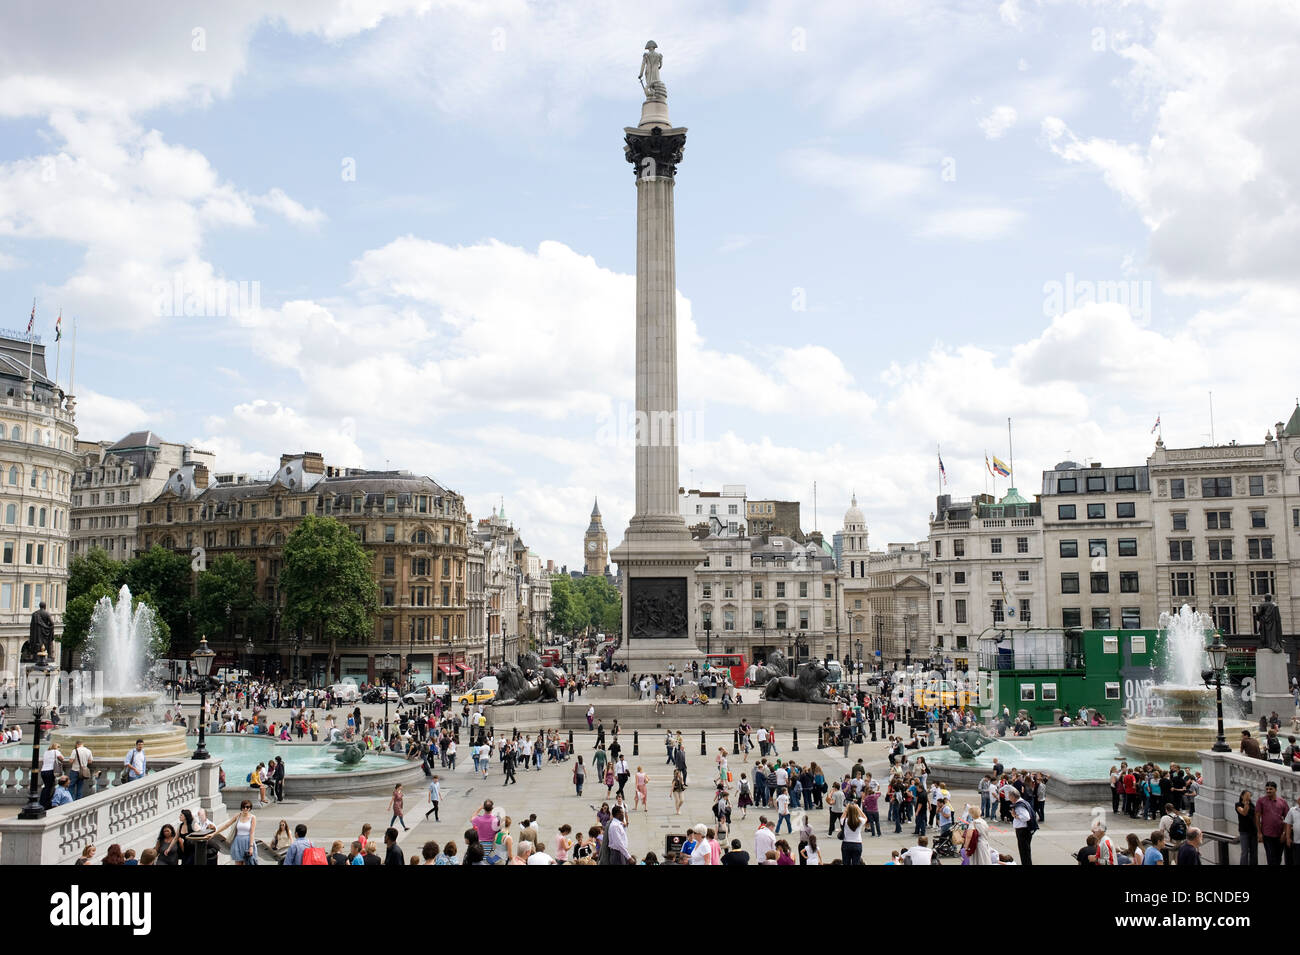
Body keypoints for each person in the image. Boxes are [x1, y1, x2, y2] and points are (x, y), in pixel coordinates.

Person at [1256, 780, 1289, 865]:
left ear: (1275, 790)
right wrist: (1259, 833)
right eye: (1267, 789)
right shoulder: (1261, 801)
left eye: (1270, 789)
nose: (1268, 791)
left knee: (1278, 858)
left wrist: (1284, 833)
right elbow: (1257, 817)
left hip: (1280, 834)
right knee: (1271, 858)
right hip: (1267, 834)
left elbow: (1288, 819)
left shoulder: (1282, 802)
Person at [215, 800, 258, 865]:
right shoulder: (238, 816)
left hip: (247, 841)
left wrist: (251, 846)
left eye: (247, 807)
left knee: (247, 862)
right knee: (238, 862)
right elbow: (227, 825)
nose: (245, 808)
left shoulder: (253, 817)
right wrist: (215, 833)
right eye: (243, 807)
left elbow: (252, 833)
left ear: (250, 808)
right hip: (237, 842)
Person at [1011, 787, 1036, 866]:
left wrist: (1015, 816)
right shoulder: (1023, 802)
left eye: (1009, 796)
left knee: (1024, 852)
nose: (1008, 798)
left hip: (1023, 831)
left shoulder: (1020, 806)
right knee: (1025, 851)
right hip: (1025, 830)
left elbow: (1026, 817)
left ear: (1013, 797)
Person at [1235, 789, 1257, 865]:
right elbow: (1244, 813)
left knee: (1254, 851)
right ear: (1242, 796)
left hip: (1253, 831)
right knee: (1245, 851)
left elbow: (1256, 817)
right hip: (1244, 831)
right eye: (1246, 795)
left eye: (1249, 796)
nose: (1248, 797)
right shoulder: (1238, 805)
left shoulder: (1252, 805)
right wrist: (1246, 803)